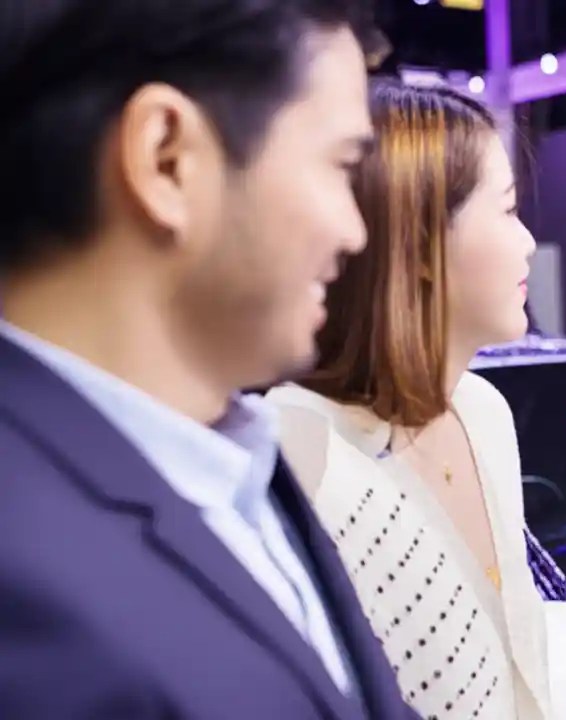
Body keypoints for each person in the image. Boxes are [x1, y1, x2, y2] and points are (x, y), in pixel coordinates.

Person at [0, 2, 424, 718]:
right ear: (167, 158)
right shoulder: (27, 594)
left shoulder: (233, 457)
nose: (355, 232)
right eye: (341, 165)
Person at [266, 79, 554, 720]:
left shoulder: (484, 413)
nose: (528, 242)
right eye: (507, 211)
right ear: (422, 240)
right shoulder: (301, 449)